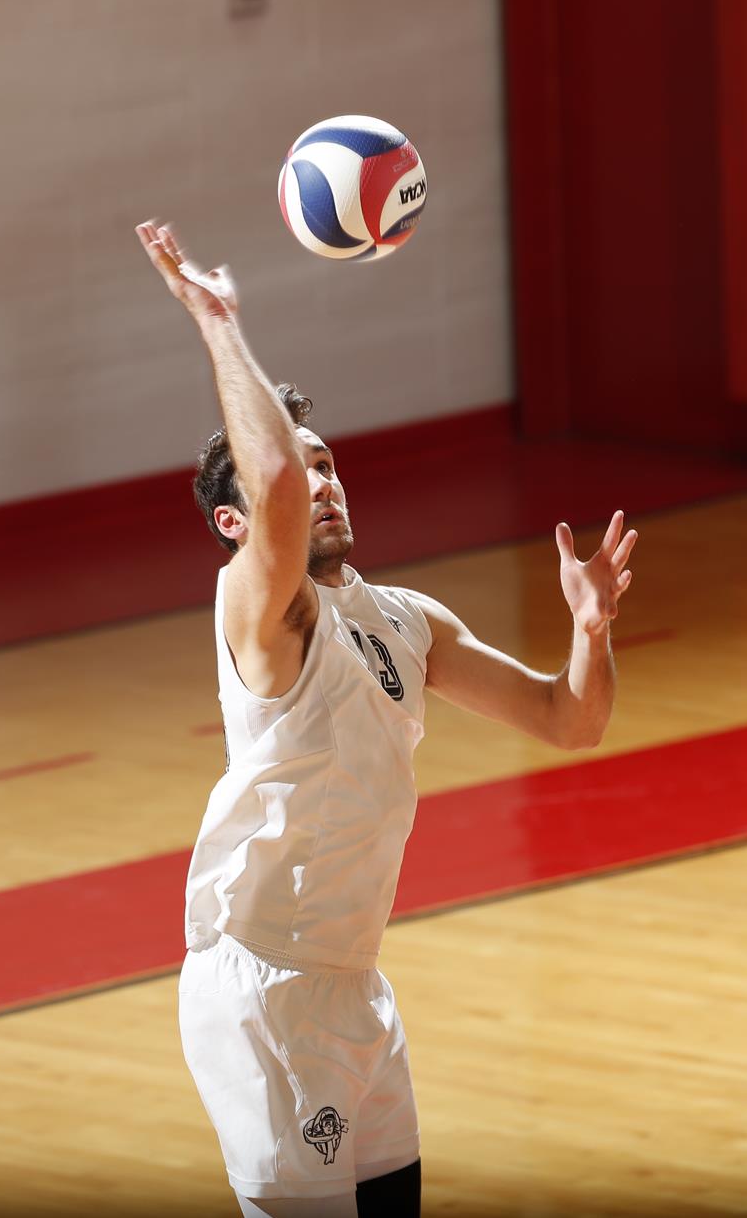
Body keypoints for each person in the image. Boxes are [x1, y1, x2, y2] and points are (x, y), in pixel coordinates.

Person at [137, 220, 636, 1218]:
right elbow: (270, 482)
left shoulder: (405, 620)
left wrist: (590, 628)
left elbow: (566, 719)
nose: (318, 481)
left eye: (328, 463)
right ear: (236, 527)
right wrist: (217, 322)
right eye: (298, 471)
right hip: (262, 985)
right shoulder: (262, 611)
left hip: (352, 982)